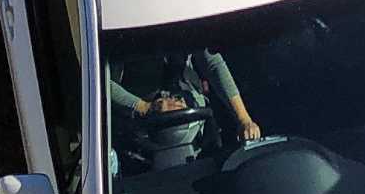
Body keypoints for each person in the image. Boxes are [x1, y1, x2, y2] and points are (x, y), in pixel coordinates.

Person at [109, 41, 262, 169]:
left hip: (197, 125)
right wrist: (142, 107)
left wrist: (244, 119)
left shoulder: (187, 20)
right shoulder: (128, 28)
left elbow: (212, 63)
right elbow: (99, 81)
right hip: (142, 126)